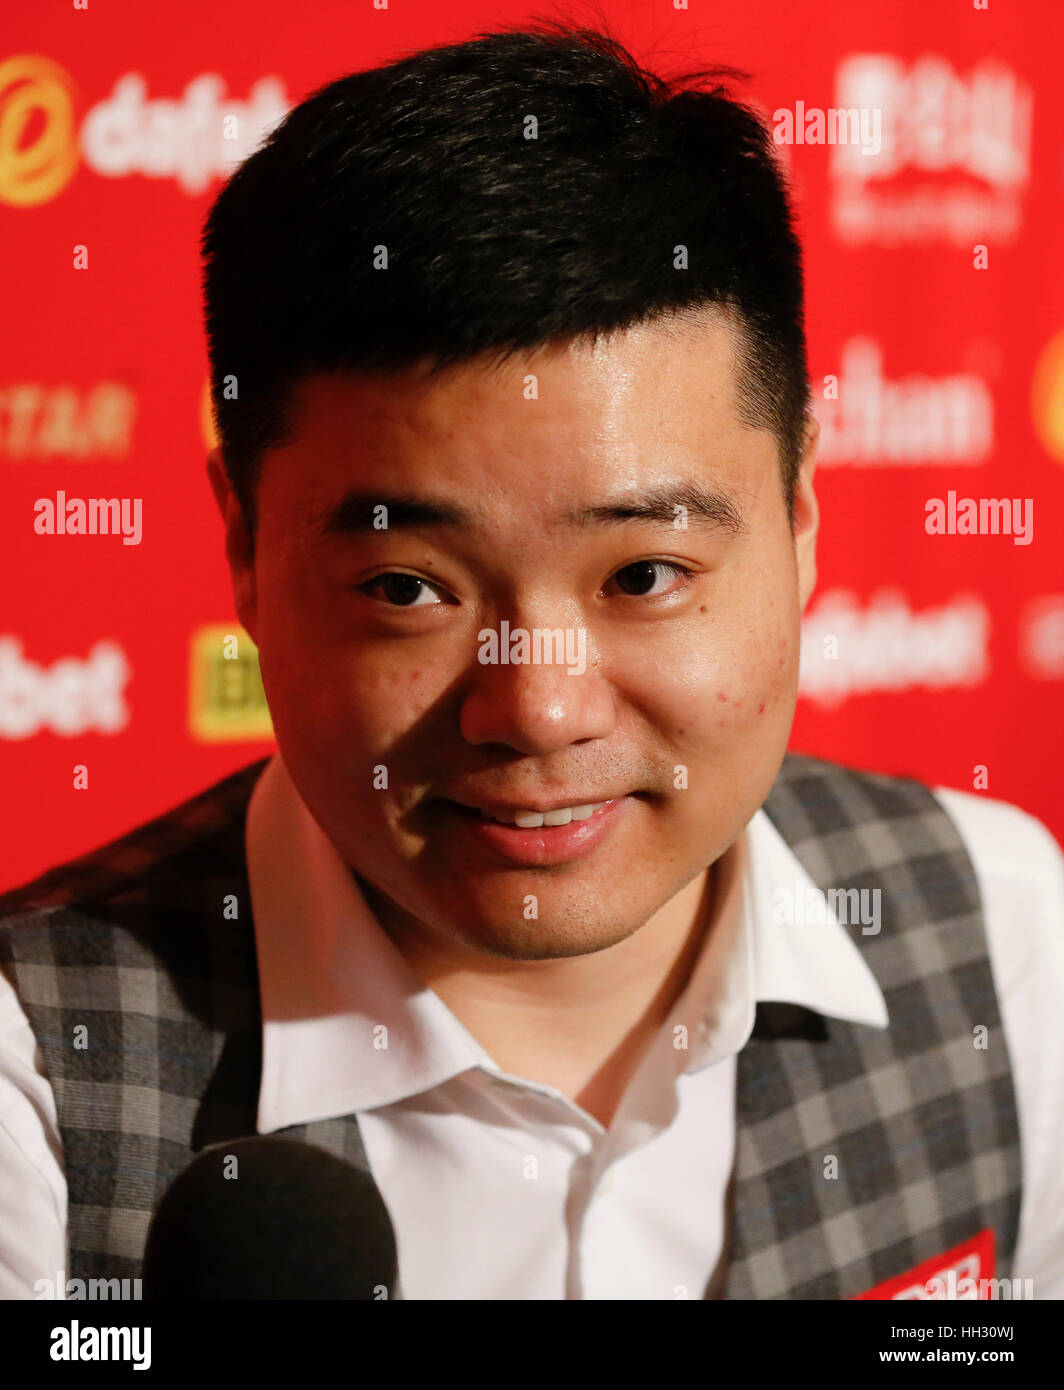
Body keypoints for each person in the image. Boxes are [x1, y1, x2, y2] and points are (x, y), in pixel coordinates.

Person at [1, 23, 1062, 1301]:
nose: (537, 706)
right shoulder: (36, 1075)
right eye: (408, 589)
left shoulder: (999, 924)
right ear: (242, 541)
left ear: (796, 516)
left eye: (641, 577)